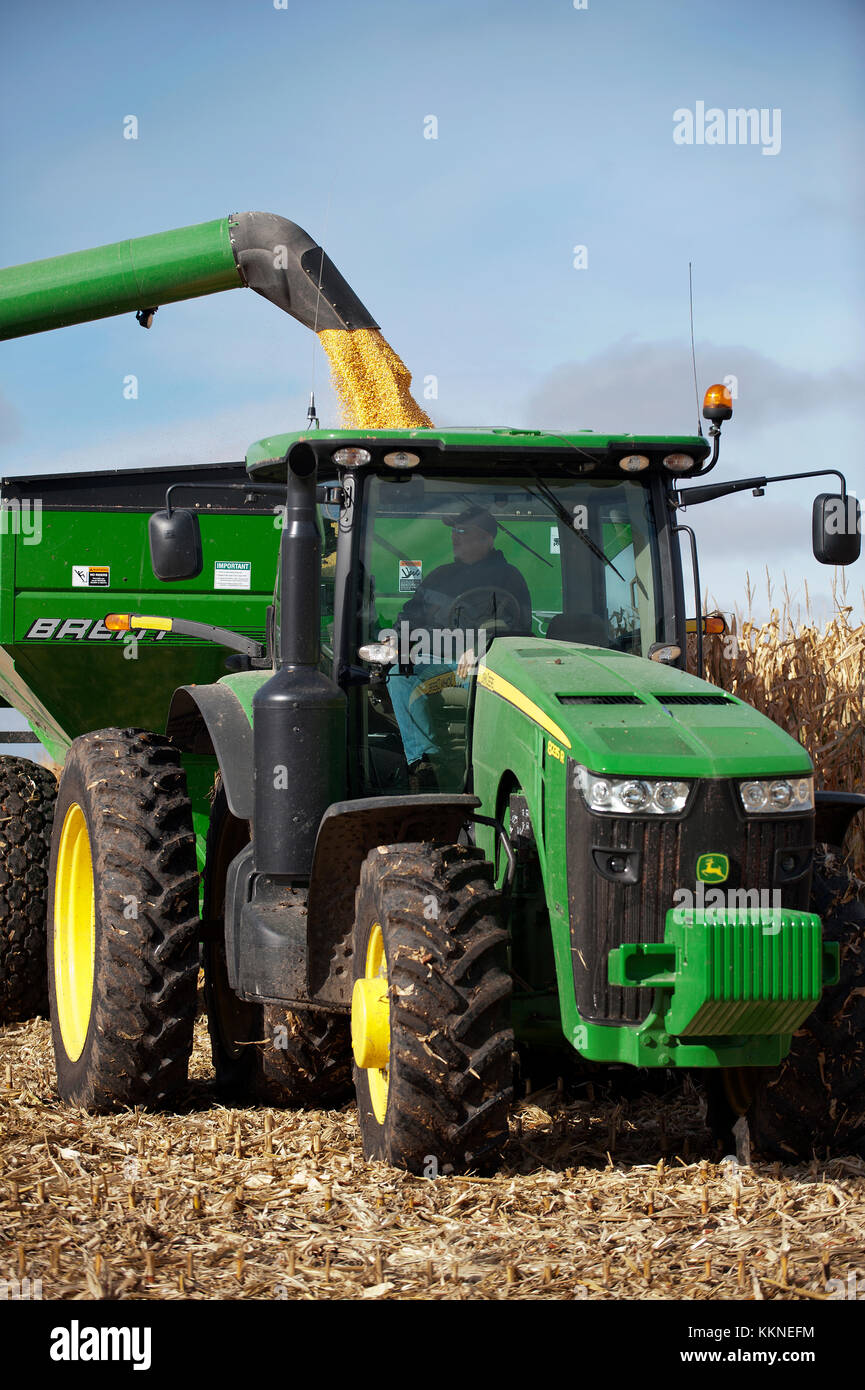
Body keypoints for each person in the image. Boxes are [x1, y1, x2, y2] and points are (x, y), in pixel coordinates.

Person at [381, 507, 531, 789]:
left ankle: (492, 766)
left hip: (486, 668)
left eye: (463, 532)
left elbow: (516, 625)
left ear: (487, 539)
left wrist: (481, 646)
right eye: (453, 532)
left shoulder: (509, 578)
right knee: (400, 672)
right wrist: (398, 638)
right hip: (438, 662)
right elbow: (411, 613)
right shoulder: (440, 576)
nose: (454, 538)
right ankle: (425, 762)